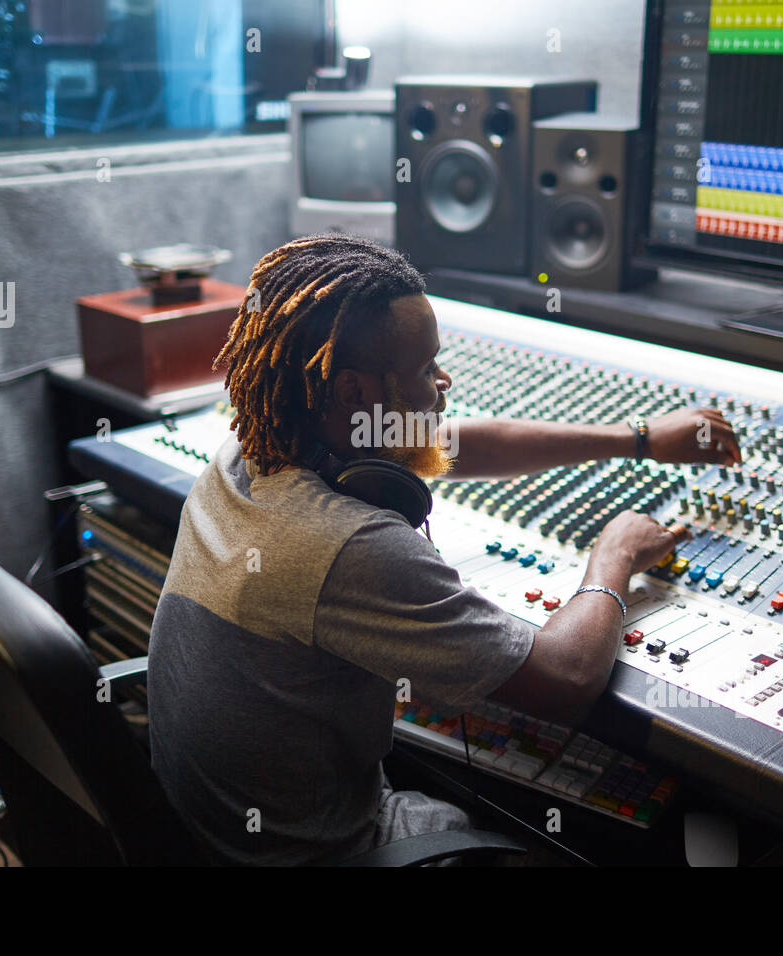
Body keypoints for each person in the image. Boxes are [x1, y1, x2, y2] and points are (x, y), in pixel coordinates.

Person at [147, 235, 742, 865]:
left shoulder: (254, 448)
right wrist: (613, 557)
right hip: (326, 851)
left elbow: (452, 442)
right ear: (352, 393)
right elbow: (566, 679)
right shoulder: (347, 545)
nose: (444, 380)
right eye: (427, 366)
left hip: (213, 831)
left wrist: (637, 439)